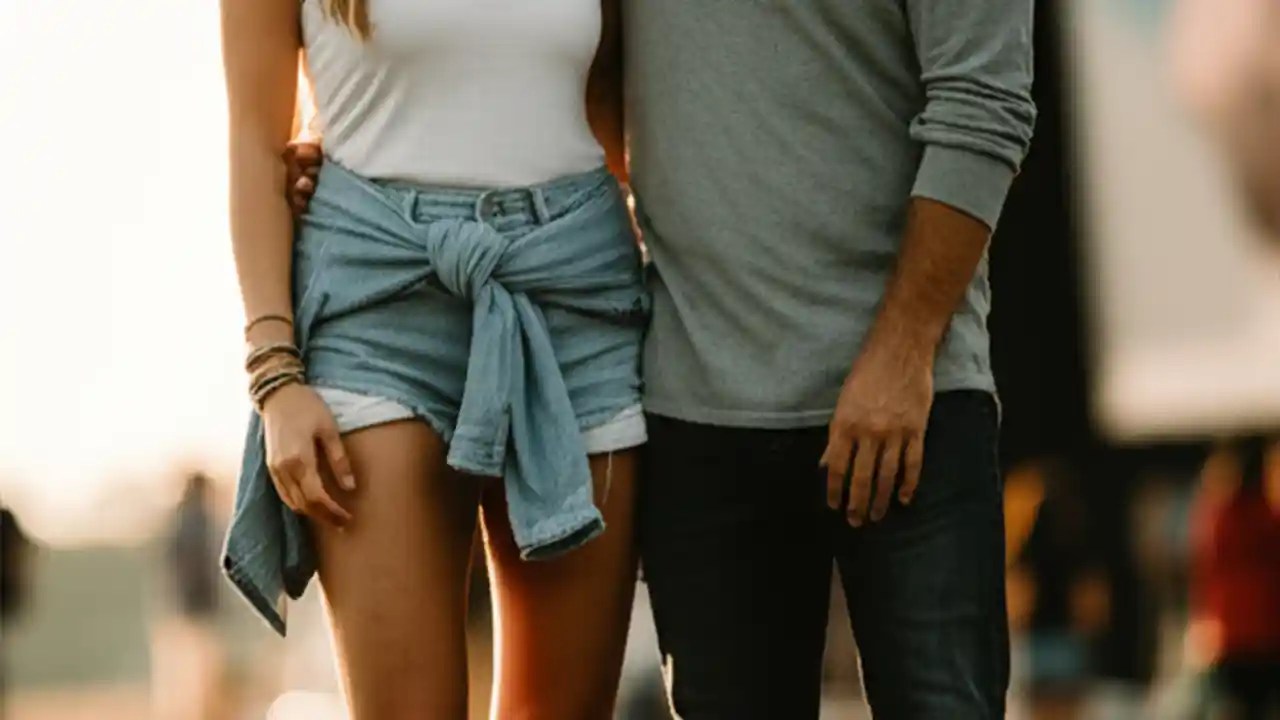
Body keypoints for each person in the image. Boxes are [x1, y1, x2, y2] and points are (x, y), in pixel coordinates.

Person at [287, 0, 1036, 715]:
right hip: (703, 413)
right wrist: (347, 147)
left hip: (908, 404)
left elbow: (984, 105)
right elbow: (575, 72)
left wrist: (904, 350)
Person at [217, 1, 647, 718]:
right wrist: (275, 372)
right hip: (378, 302)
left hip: (573, 296)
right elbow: (255, 142)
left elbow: (613, 114)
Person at [1189, 438, 1280, 720]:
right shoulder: (1266, 519)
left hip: (1235, 634)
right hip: (1264, 634)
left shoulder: (1219, 519)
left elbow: (1205, 572)